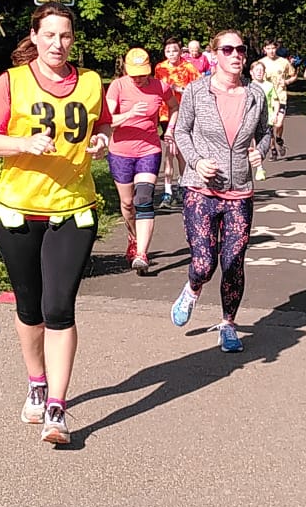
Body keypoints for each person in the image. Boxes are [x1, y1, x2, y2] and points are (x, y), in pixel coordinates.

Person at [0, 4, 109, 446]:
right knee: (30, 309)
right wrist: (23, 143)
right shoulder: (10, 82)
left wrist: (103, 142)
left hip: (73, 209)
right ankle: (36, 380)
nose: (58, 44)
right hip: (19, 208)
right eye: (49, 35)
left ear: (74, 39)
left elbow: (101, 125)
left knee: (59, 308)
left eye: (65, 36)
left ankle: (57, 406)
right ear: (34, 37)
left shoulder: (91, 82)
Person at [170, 28, 271, 352]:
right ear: (214, 55)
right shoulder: (197, 91)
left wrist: (261, 150)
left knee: (233, 262)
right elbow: (181, 131)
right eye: (227, 49)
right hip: (201, 188)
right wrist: (197, 161)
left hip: (239, 188)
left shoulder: (256, 95)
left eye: (241, 49)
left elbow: (265, 131)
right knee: (204, 262)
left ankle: (228, 324)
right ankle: (193, 288)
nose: (236, 55)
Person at [105, 48, 176, 275]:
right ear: (126, 70)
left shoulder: (160, 86)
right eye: (134, 73)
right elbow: (106, 120)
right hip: (120, 151)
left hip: (149, 149)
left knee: (143, 198)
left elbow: (174, 106)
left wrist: (170, 129)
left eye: (143, 73)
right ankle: (133, 238)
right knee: (128, 204)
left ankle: (141, 254)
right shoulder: (118, 86)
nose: (139, 78)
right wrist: (130, 114)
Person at [154, 38, 200, 206]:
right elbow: (157, 88)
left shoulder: (188, 67)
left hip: (184, 112)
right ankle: (168, 190)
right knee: (170, 150)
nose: (171, 54)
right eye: (168, 51)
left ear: (181, 51)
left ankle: (182, 184)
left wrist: (179, 89)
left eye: (174, 50)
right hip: (166, 113)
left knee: (180, 151)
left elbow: (197, 87)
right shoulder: (160, 67)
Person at [261, 40, 293, 158]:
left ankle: (279, 138)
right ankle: (273, 148)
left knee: (279, 124)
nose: (271, 51)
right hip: (267, 98)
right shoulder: (261, 63)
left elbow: (293, 75)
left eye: (273, 48)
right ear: (264, 50)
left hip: (281, 97)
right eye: (268, 48)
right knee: (269, 125)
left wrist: (287, 81)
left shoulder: (283, 62)